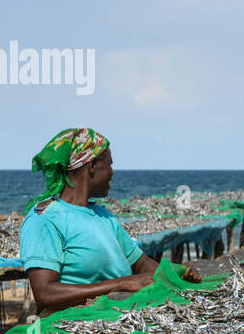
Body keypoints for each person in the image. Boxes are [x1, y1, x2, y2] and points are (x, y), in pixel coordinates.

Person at [19, 128, 198, 314]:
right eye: (109, 165)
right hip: (73, 325)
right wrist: (121, 284)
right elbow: (45, 294)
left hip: (121, 313)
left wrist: (176, 271)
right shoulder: (45, 219)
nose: (112, 173)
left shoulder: (102, 215)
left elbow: (141, 263)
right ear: (93, 165)